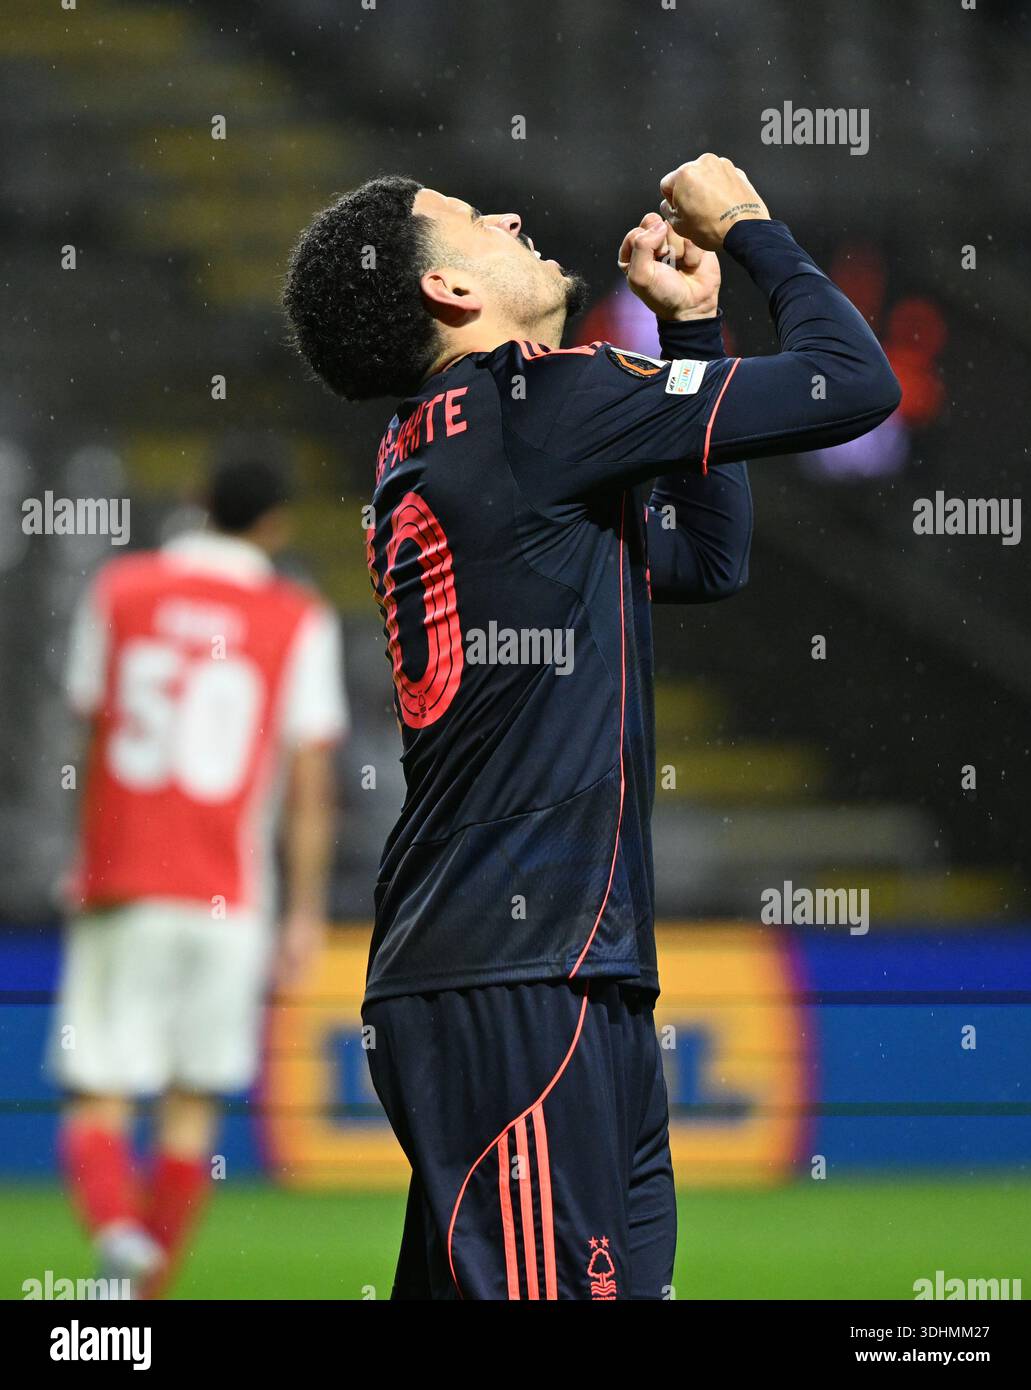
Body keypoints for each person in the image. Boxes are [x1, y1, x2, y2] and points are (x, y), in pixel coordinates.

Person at [283, 155, 900, 1299]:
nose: (512, 215)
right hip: (520, 971)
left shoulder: (443, 438)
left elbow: (704, 561)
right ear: (449, 295)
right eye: (473, 221)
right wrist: (752, 230)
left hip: (543, 970)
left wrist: (696, 332)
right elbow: (849, 384)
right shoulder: (537, 401)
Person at [50, 458, 349, 1297]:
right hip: (230, 896)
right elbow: (311, 787)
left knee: (98, 1092)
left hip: (123, 881)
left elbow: (91, 727)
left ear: (196, 506)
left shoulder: (122, 589)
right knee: (192, 1107)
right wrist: (304, 916)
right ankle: (141, 1295)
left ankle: (114, 1233)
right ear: (277, 526)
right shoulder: (298, 619)